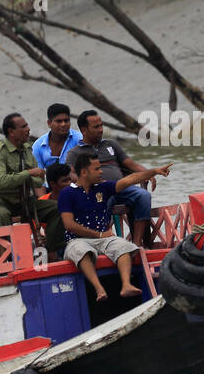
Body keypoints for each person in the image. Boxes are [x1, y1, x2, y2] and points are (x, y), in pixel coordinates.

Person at [58, 148, 171, 302]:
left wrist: (154, 171)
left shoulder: (103, 187)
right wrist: (98, 235)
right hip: (77, 240)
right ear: (84, 172)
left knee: (124, 246)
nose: (101, 172)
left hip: (105, 238)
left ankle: (126, 286)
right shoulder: (66, 193)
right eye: (97, 169)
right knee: (82, 251)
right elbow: (69, 225)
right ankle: (99, 289)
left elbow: (129, 180)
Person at [67, 109, 155, 245]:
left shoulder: (111, 145)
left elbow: (132, 164)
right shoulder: (75, 152)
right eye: (96, 127)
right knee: (99, 206)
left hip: (121, 187)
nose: (101, 129)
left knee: (144, 196)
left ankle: (137, 245)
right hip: (98, 191)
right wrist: (88, 181)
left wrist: (150, 173)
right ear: (84, 130)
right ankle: (105, 243)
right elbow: (71, 174)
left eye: (102, 125)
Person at [0, 113, 65, 251]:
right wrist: (28, 173)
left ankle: (51, 251)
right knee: (1, 215)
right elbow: (0, 181)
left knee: (58, 208)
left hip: (23, 200)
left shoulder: (27, 150)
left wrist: (30, 175)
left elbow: (39, 181)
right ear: (11, 132)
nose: (28, 129)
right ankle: (8, 261)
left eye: (27, 125)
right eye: (23, 126)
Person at [31, 103, 82, 183]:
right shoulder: (38, 146)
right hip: (52, 188)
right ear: (49, 123)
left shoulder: (80, 140)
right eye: (59, 121)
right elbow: (38, 177)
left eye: (66, 120)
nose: (63, 124)